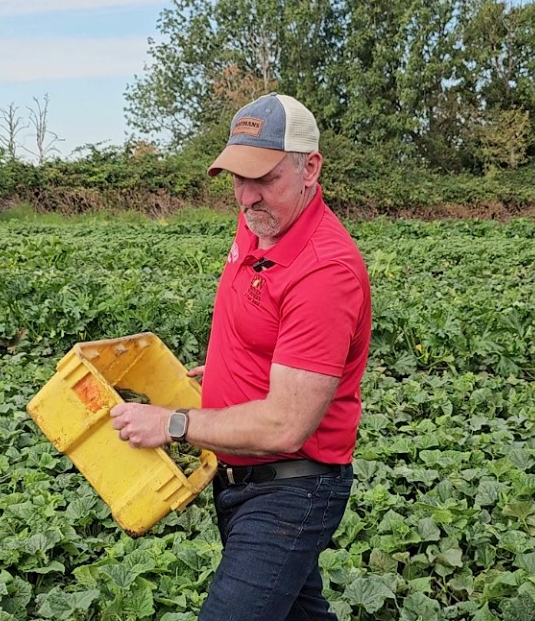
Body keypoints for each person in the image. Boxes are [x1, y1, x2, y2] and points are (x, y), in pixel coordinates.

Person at [109, 92, 372, 620]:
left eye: (266, 178)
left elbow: (284, 427)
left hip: (290, 490)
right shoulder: (263, 222)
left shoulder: (324, 272)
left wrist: (173, 423)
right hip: (241, 477)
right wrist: (239, 364)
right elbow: (263, 319)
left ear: (309, 169)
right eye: (238, 178)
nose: (248, 197)